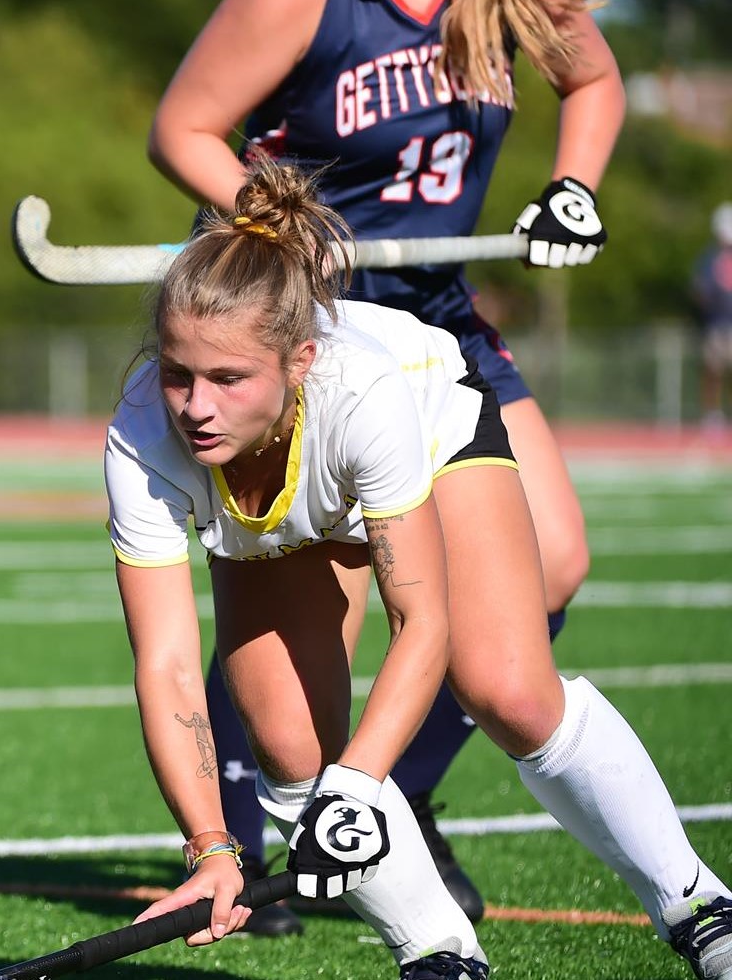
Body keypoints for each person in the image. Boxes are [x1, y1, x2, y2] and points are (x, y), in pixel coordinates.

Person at [146, 0, 626, 928]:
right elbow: (180, 130)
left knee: (552, 562)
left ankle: (387, 791)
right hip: (304, 325)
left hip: (433, 317)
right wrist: (287, 240)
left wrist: (573, 189)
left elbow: (590, 82)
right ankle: (260, 827)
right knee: (302, 602)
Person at [109, 157, 732, 980]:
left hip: (430, 431)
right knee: (293, 758)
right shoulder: (143, 431)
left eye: (228, 378)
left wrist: (362, 783)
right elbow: (167, 666)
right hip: (292, 494)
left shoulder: (364, 388)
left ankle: (698, 907)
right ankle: (440, 956)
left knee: (507, 686)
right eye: (181, 374)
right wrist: (210, 847)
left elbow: (422, 621)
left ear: (298, 362)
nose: (195, 405)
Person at [694, 203, 732, 436]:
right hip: (717, 325)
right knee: (713, 371)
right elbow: (701, 290)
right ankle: (712, 415)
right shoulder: (710, 258)